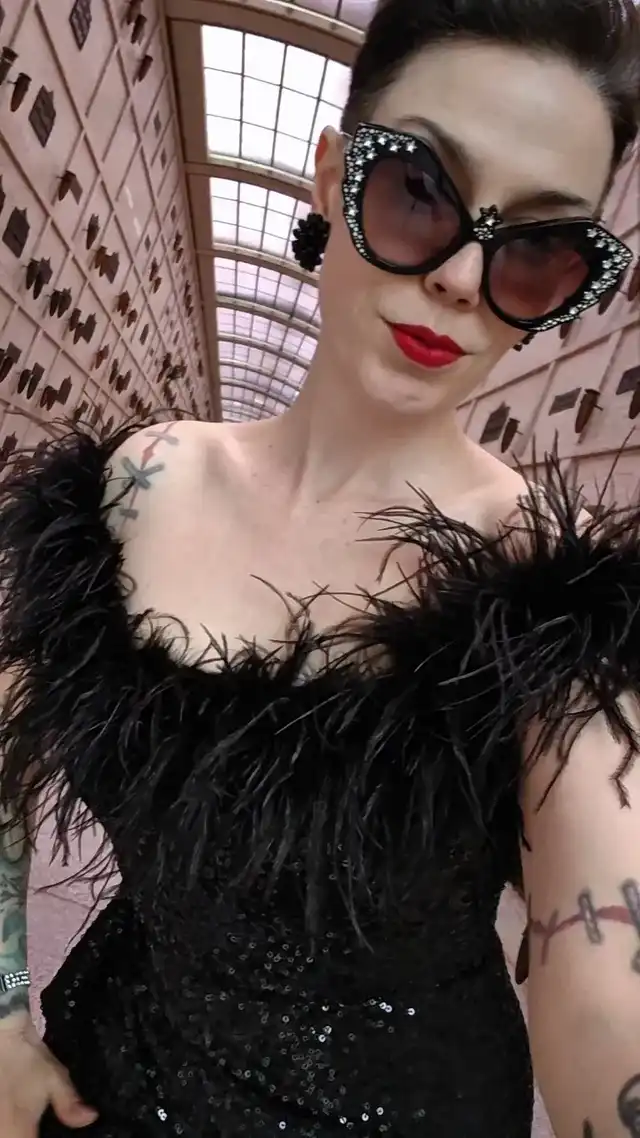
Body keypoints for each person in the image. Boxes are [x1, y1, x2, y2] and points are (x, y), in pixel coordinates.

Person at [0, 0, 639, 1134]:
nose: (462, 277)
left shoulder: (550, 587)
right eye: (420, 190)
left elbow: (604, 994)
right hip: (115, 1082)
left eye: (537, 250)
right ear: (333, 174)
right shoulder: (138, 484)